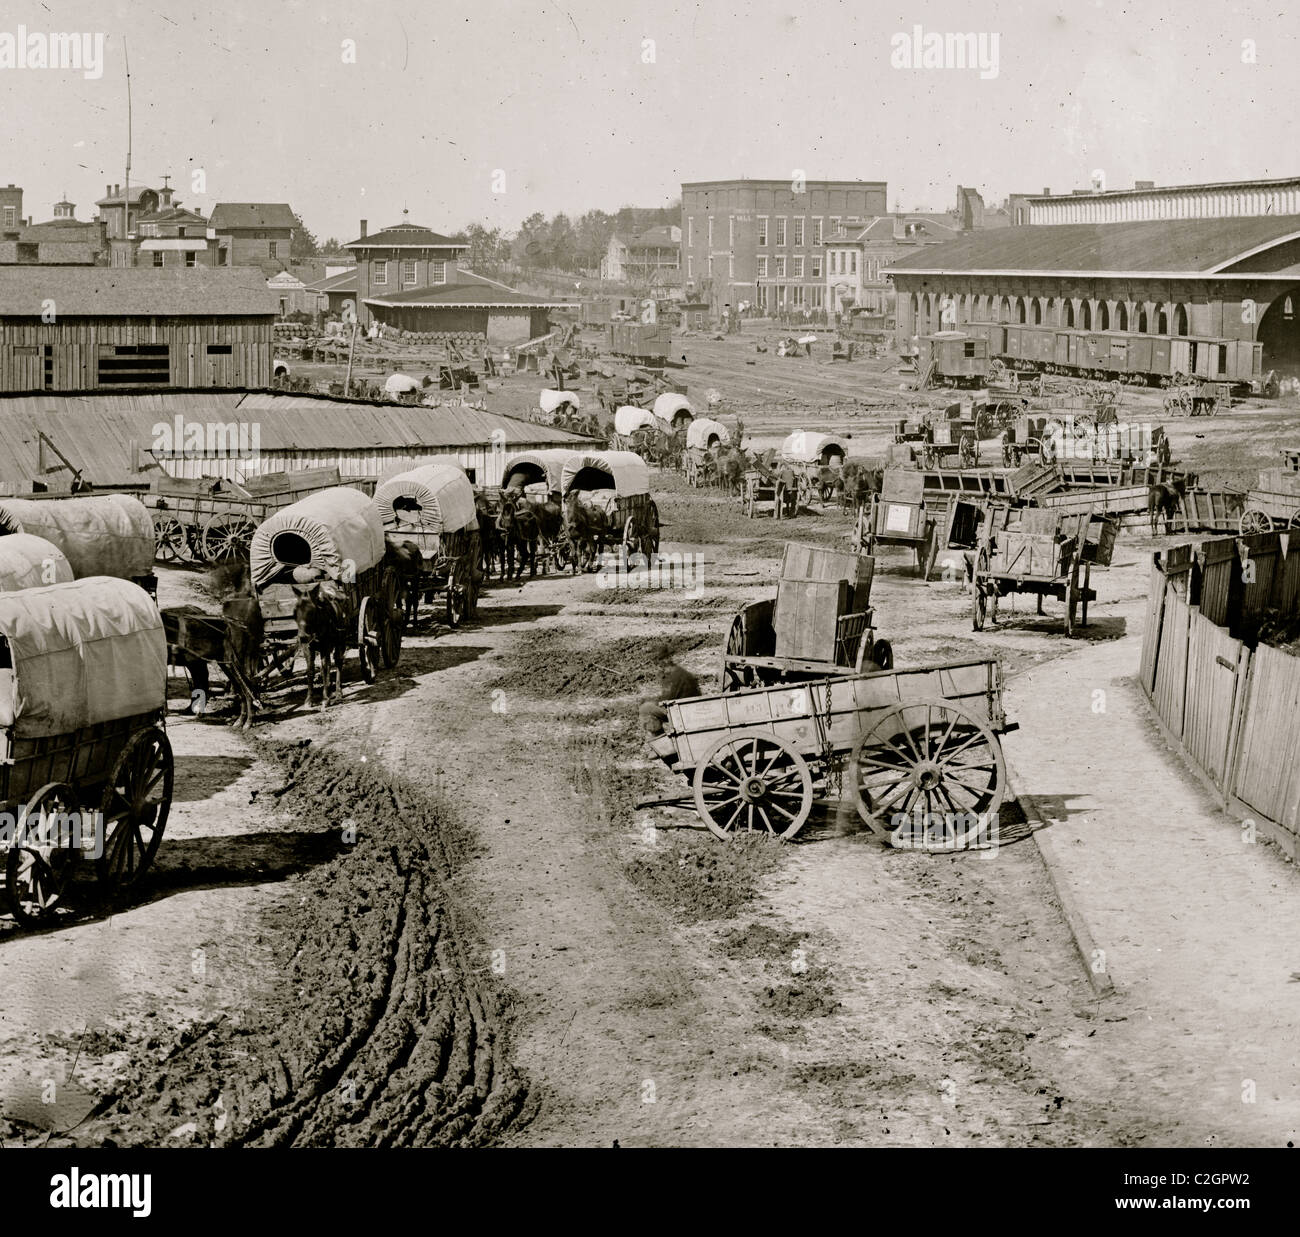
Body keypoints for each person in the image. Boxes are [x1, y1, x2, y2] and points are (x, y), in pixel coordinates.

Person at [638, 643, 701, 735]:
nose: (658, 667)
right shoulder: (680, 672)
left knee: (645, 709)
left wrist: (652, 702)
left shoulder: (672, 676)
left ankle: (661, 741)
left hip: (682, 712)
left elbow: (666, 700)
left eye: (658, 662)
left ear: (663, 661)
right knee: (649, 705)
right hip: (688, 707)